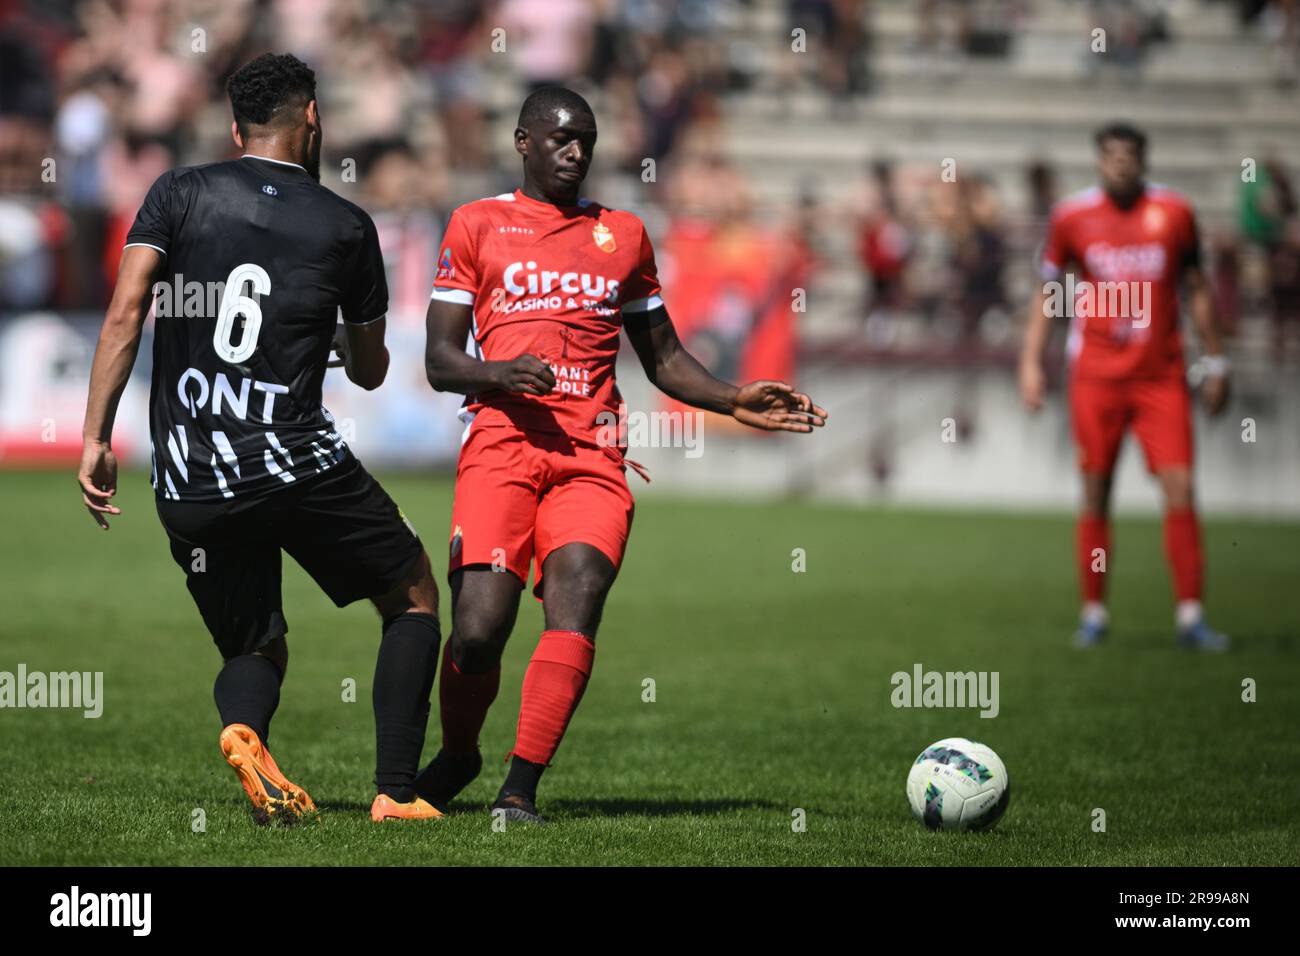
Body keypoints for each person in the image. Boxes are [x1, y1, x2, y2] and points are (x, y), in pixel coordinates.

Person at [422, 87, 827, 823]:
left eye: (587, 139)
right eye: (561, 137)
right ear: (523, 141)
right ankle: (459, 753)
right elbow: (440, 360)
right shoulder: (475, 224)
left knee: (578, 599)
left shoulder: (625, 236)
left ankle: (519, 789)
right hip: (502, 445)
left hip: (592, 456)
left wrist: (735, 399)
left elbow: (664, 358)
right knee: (478, 630)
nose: (577, 150)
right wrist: (498, 372)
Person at [77, 53, 444, 825]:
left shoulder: (179, 192)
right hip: (292, 465)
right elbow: (374, 371)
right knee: (412, 595)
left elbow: (125, 313)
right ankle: (397, 794)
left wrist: (95, 438)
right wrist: (335, 343)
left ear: (234, 127)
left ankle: (244, 729)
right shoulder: (346, 225)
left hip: (189, 480)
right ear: (313, 119)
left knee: (255, 645)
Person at [1019, 122, 1230, 651]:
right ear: (1098, 160)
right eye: (1110, 155)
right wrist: (1030, 362)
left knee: (1180, 486)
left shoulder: (1175, 214)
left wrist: (1218, 360)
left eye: (1129, 155)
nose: (1120, 163)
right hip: (1096, 376)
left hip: (1162, 374)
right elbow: (1049, 293)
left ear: (1143, 160)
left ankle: (1190, 616)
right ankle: (1094, 613)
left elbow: (1198, 288)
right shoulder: (1072, 217)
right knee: (1096, 490)